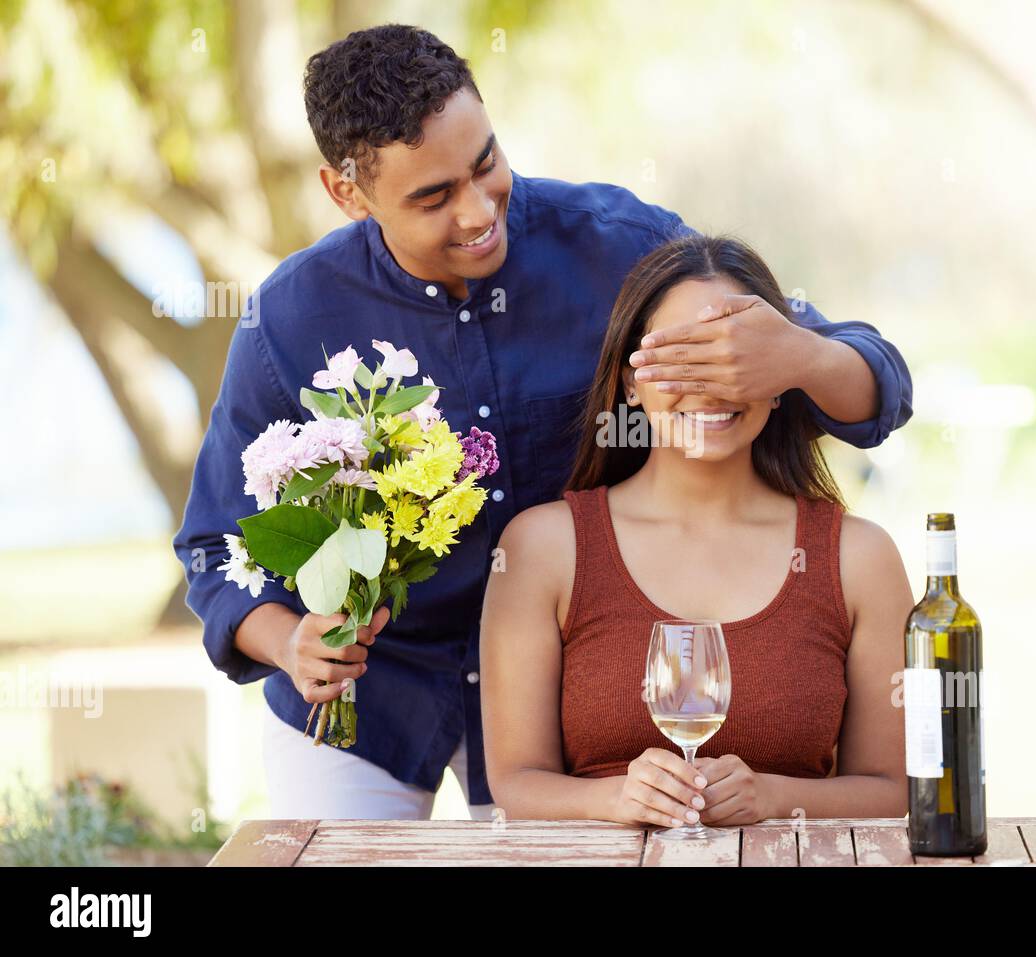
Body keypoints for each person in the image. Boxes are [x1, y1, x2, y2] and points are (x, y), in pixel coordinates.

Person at [172, 24, 913, 821]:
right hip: (372, 704)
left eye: (486, 163)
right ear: (346, 193)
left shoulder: (621, 247)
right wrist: (288, 642)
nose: (478, 209)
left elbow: (875, 378)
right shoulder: (292, 317)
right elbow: (217, 544)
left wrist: (795, 356)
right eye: (432, 196)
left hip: (571, 707)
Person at [480, 234, 914, 826]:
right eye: (678, 354)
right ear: (630, 383)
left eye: (730, 356)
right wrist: (614, 799)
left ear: (781, 377)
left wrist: (773, 798)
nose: (708, 382)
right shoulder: (541, 548)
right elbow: (515, 782)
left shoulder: (860, 558)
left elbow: (894, 792)